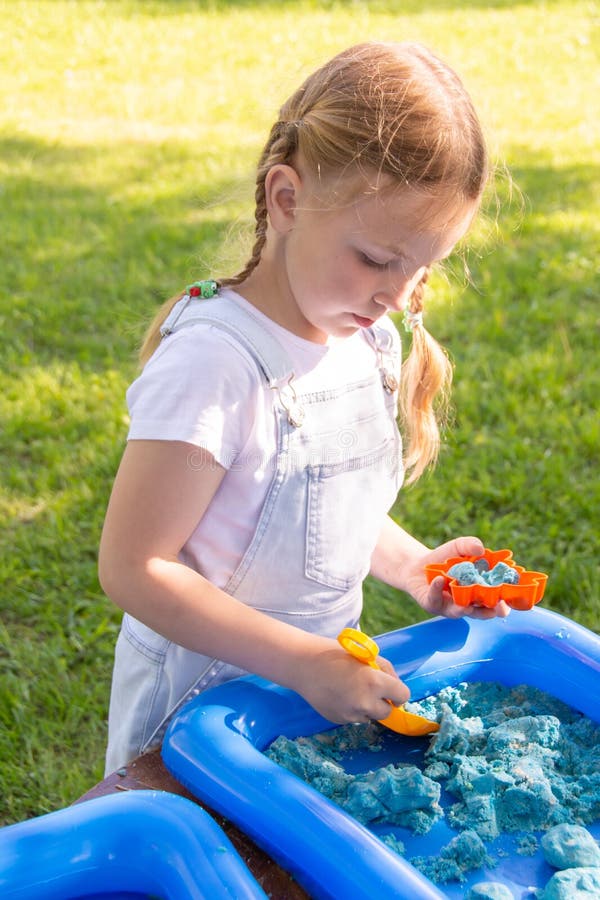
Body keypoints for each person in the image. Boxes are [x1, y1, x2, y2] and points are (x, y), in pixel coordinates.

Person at [99, 40, 510, 775]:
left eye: (424, 266)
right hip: (194, 715)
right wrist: (303, 661)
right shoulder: (215, 363)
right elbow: (135, 566)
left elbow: (311, 505)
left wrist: (414, 567)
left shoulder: (366, 339)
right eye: (379, 260)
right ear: (286, 200)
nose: (398, 293)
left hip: (304, 706)